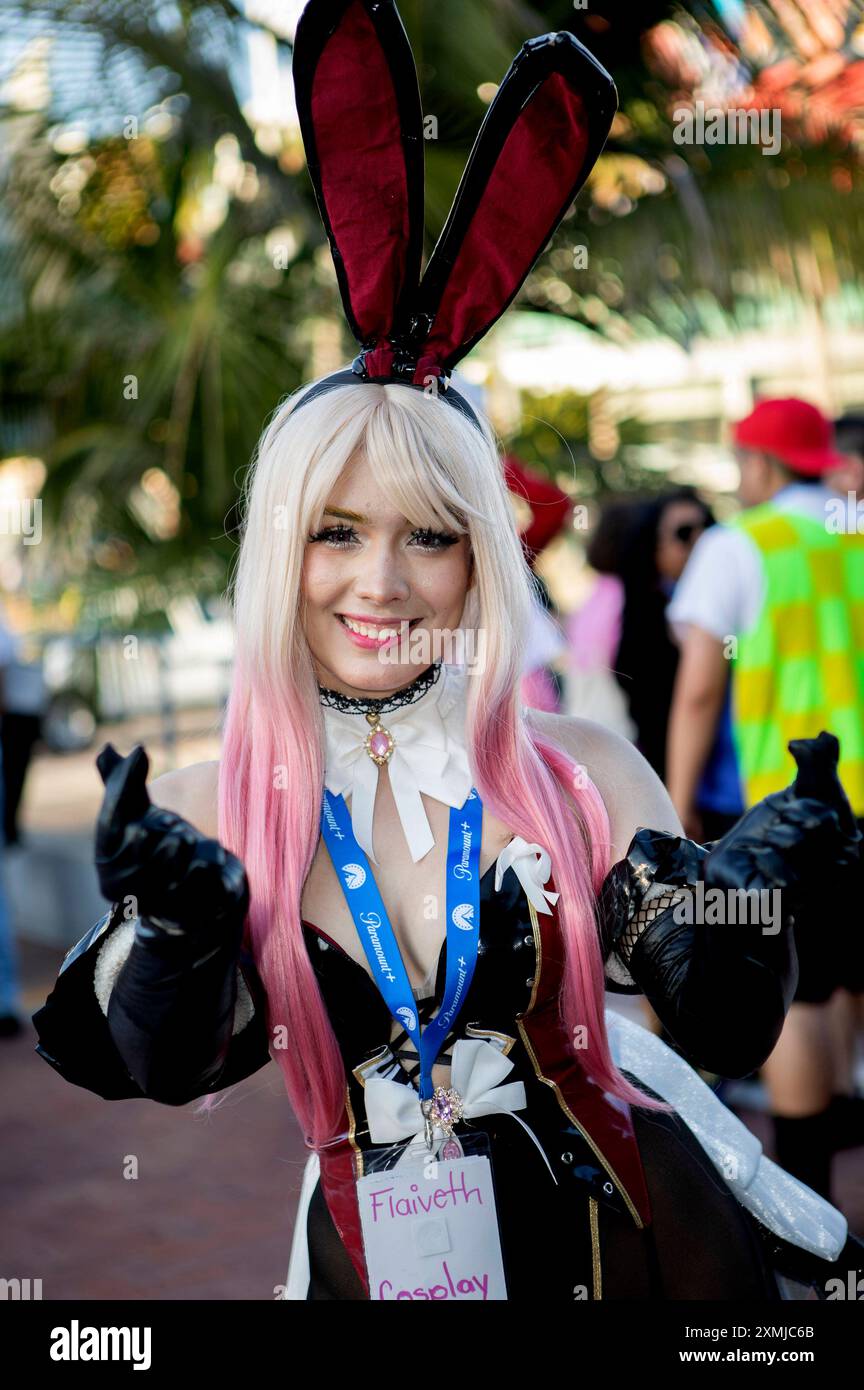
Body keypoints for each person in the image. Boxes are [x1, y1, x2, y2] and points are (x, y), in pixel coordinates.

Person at [31, 5, 862, 1301]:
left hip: (643, 1255)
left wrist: (745, 904)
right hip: (371, 1254)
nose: (381, 580)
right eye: (335, 532)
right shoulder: (207, 808)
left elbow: (722, 1018)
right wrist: (181, 934)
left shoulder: (582, 771)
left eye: (430, 534)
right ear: (277, 556)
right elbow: (158, 1061)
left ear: (482, 556)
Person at [666, 397, 864, 1201]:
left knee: (805, 989)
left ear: (759, 464)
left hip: (797, 809)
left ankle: (812, 1204)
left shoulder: (737, 544)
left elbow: (700, 690)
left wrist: (675, 801)